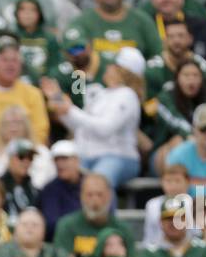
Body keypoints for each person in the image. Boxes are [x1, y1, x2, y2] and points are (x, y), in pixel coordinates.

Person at [42, 45, 144, 188]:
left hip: (118, 157)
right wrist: (58, 99)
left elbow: (105, 128)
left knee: (96, 183)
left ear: (123, 72)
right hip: (87, 155)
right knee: (58, 179)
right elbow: (79, 125)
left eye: (113, 65)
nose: (107, 67)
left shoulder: (127, 95)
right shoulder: (102, 93)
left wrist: (70, 109)